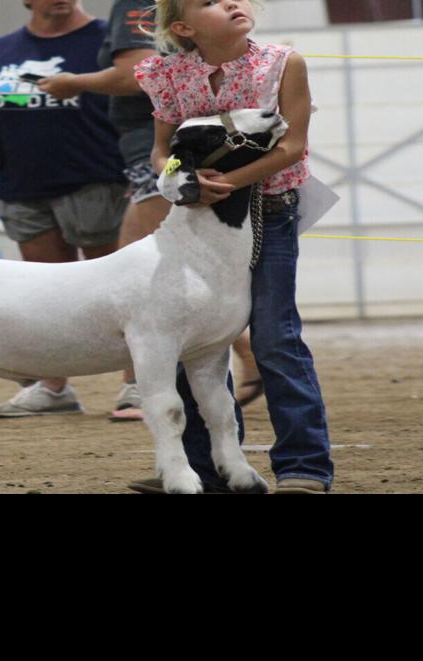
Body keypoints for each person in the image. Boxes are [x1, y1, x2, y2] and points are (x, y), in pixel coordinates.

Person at [130, 0, 334, 493]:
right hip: (199, 221)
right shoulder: (167, 74)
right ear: (183, 27)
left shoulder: (283, 62)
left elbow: (292, 146)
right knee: (191, 340)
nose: (233, 4)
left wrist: (228, 181)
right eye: (212, 2)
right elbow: (161, 150)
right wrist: (180, 179)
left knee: (274, 336)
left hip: (269, 210)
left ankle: (304, 466)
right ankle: (205, 469)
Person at [39, 0, 263, 421]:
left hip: (157, 148)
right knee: (136, 267)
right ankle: (142, 384)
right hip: (160, 147)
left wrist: (74, 82)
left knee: (163, 276)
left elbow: (133, 74)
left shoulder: (137, 4)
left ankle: (244, 357)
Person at [0, 0, 127, 418]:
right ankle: (54, 387)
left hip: (95, 178)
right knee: (47, 296)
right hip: (22, 187)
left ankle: (139, 383)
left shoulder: (107, 37)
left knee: (119, 292)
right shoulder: (4, 47)